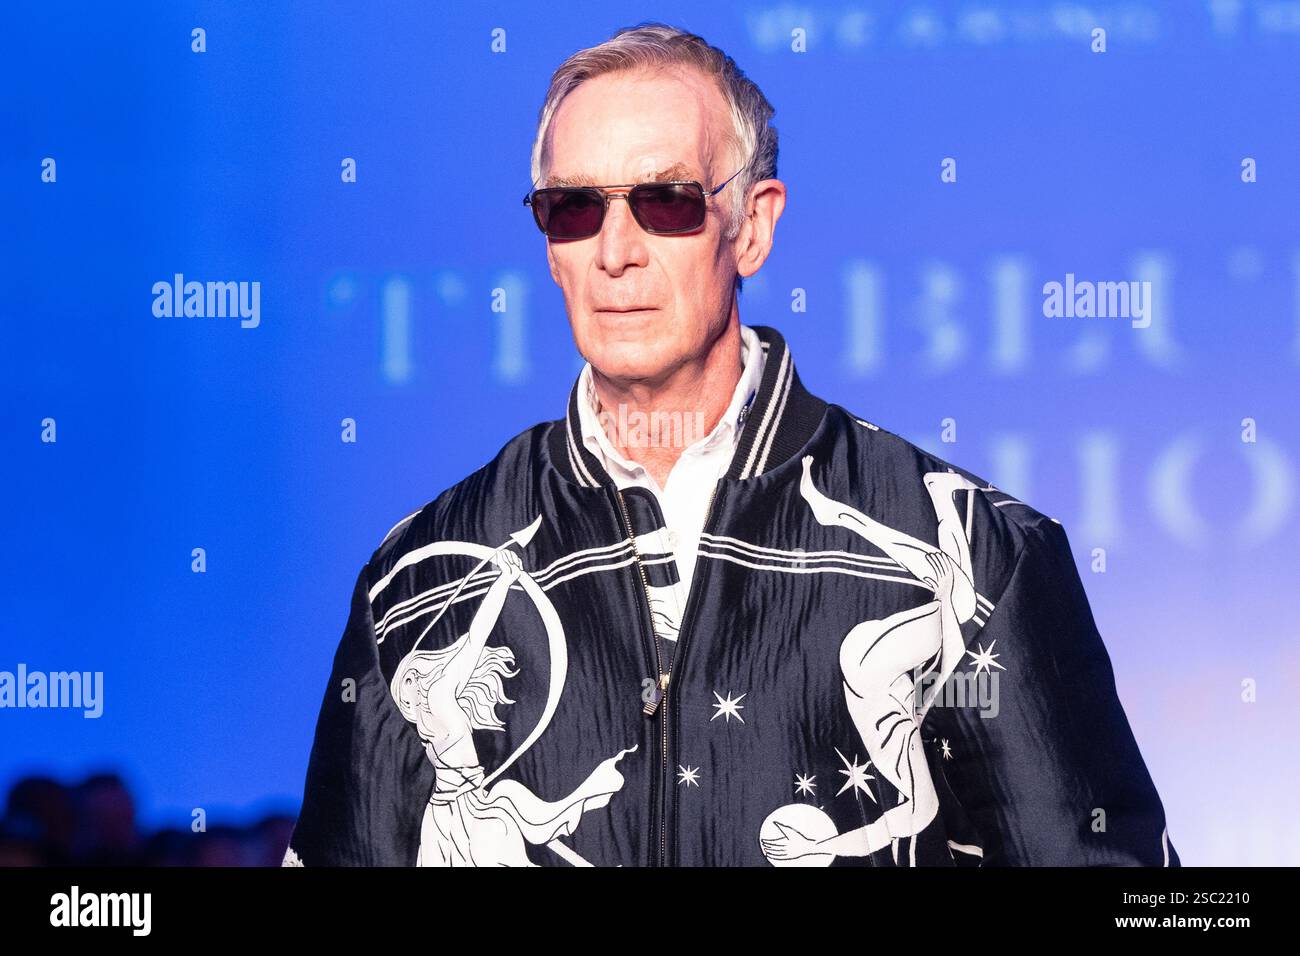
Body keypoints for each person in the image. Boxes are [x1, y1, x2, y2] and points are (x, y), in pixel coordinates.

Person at [286, 22, 1178, 867]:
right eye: (573, 209)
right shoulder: (423, 579)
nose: (615, 251)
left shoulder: (977, 556)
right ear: (548, 245)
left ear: (751, 226)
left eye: (665, 202)